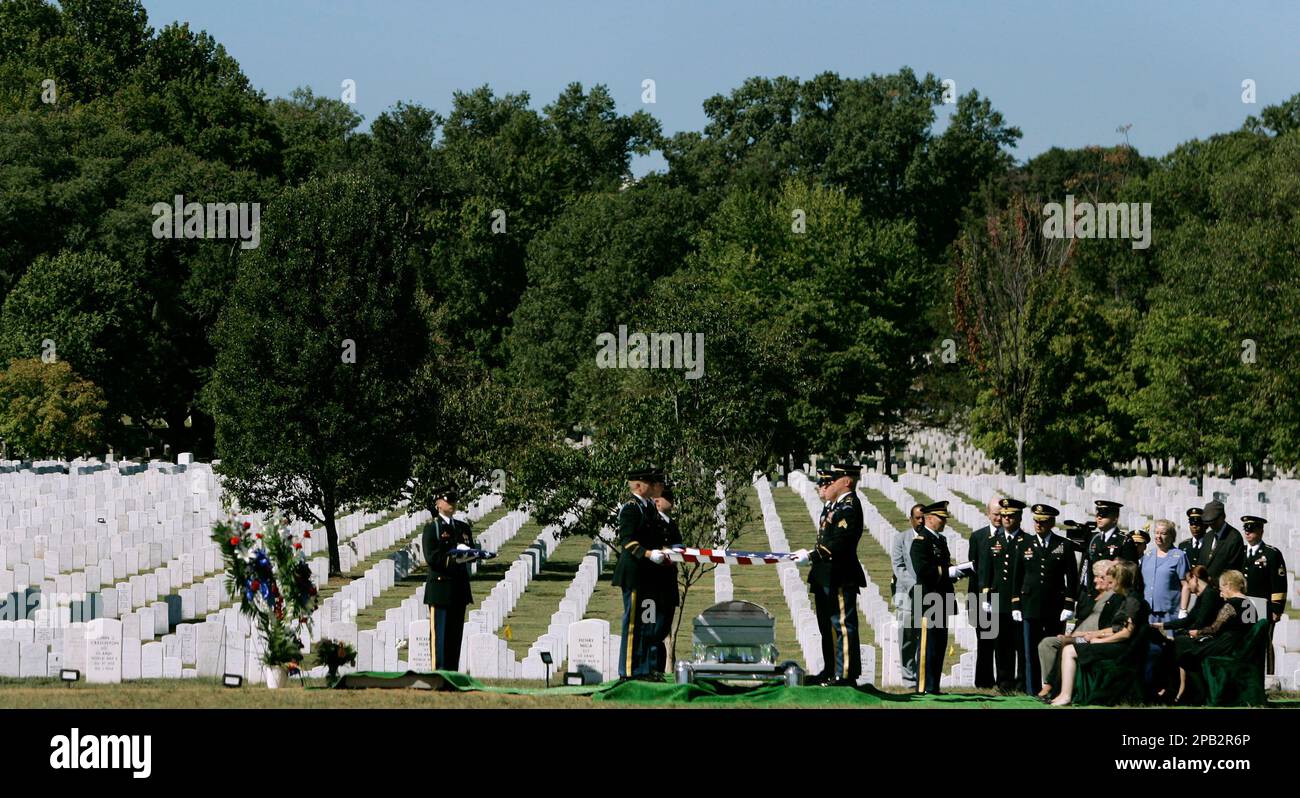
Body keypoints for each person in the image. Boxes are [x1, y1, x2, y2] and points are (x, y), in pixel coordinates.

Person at [794, 463, 866, 686]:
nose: (828, 484)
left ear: (846, 481)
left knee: (842, 625)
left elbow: (841, 541)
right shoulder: (834, 506)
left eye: (833, 479)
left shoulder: (850, 506)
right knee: (827, 626)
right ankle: (830, 669)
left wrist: (814, 556)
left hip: (841, 574)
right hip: (827, 575)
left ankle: (845, 674)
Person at [1050, 560, 1150, 706]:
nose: (1108, 586)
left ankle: (1066, 695)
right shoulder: (1125, 599)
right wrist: (1093, 634)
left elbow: (1126, 634)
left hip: (1124, 648)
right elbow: (1116, 628)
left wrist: (1100, 640)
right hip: (1117, 643)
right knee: (1069, 647)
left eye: (1111, 582)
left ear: (1119, 581)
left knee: (1069, 651)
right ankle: (1062, 693)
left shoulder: (1133, 601)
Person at [1010, 503, 1078, 695]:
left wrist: (1069, 603)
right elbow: (1018, 575)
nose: (1038, 525)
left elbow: (1071, 576)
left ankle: (1054, 688)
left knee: (1054, 648)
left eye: (1043, 521)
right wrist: (1016, 603)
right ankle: (1033, 690)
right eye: (1036, 521)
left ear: (1051, 522)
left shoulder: (1063, 545)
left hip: (1054, 605)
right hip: (1030, 604)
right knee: (1030, 650)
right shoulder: (1024, 544)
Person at [612, 467, 673, 679]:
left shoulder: (648, 507)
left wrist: (664, 551)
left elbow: (655, 537)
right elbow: (627, 541)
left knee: (647, 624)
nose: (654, 485)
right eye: (649, 481)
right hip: (635, 573)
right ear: (638, 485)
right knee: (633, 624)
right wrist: (648, 554)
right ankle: (628, 671)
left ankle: (645, 668)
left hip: (648, 575)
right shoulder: (631, 508)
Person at [1036, 559, 1122, 699]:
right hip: (1080, 635)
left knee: (1067, 643)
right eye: (1094, 576)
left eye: (1100, 577)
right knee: (1047, 643)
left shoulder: (1117, 598)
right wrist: (1070, 634)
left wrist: (1079, 636)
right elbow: (1080, 619)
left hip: (1095, 638)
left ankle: (1052, 687)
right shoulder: (1089, 596)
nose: (1095, 580)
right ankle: (1050, 684)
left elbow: (1113, 627)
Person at [1170, 569, 1256, 704]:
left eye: (1222, 588)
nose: (1221, 593)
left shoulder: (1230, 605)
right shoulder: (1250, 603)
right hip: (1241, 645)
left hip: (1227, 644)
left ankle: (1199, 695)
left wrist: (1196, 632)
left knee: (1187, 656)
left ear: (1228, 585)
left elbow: (1214, 629)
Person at [910, 501, 963, 695]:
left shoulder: (940, 540)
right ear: (929, 518)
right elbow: (923, 571)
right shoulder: (921, 541)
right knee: (927, 646)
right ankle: (923, 687)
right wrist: (947, 572)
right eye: (941, 518)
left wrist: (955, 572)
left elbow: (943, 565)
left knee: (939, 645)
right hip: (927, 599)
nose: (944, 522)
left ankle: (934, 686)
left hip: (942, 597)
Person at [422, 491, 477, 671]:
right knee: (440, 638)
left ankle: (452, 675)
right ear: (438, 503)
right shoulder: (433, 527)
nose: (452, 504)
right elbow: (432, 557)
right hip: (440, 589)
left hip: (459, 589)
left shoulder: (462, 527)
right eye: (448, 501)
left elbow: (472, 551)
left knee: (455, 637)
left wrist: (470, 556)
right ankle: (439, 675)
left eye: (454, 500)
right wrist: (455, 559)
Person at [1151, 565, 1223, 701]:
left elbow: (1201, 621)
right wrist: (1163, 625)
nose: (1187, 587)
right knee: (1171, 646)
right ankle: (1176, 689)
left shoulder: (1210, 595)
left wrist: (1183, 632)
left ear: (1194, 579)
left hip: (1208, 638)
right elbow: (1190, 619)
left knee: (1177, 645)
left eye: (1188, 582)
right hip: (1200, 635)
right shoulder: (1203, 596)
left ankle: (1182, 690)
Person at [981, 497, 1026, 692]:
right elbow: (987, 571)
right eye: (1004, 516)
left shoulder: (1027, 541)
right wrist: (986, 597)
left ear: (1019, 517)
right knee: (1002, 646)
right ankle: (1004, 683)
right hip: (999, 599)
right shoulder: (993, 541)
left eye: (1011, 516)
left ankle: (1023, 683)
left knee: (1021, 645)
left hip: (1020, 602)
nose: (1006, 519)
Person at [1240, 515, 1287, 676]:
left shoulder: (1271, 553)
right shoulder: (1241, 551)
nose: (1248, 533)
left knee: (1264, 640)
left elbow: (1279, 582)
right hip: (1243, 604)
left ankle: (1269, 677)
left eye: (1252, 529)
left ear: (1261, 530)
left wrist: (1277, 607)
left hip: (1263, 604)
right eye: (1246, 529)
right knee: (1245, 640)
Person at [967, 495, 1002, 688]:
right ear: (988, 514)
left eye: (1001, 514)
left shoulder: (1011, 536)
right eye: (995, 514)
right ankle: (984, 680)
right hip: (981, 598)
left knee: (1003, 642)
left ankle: (1004, 680)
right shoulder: (978, 537)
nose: (998, 518)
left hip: (1002, 596)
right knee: (984, 641)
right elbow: (974, 569)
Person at [890, 502, 924, 689]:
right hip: (907, 595)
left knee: (925, 637)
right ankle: (908, 677)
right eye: (917, 517)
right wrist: (915, 585)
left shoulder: (933, 538)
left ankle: (923, 677)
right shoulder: (901, 539)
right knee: (907, 637)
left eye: (923, 518)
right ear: (910, 519)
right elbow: (898, 566)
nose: (920, 521)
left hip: (928, 595)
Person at [650, 485, 683, 674]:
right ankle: (652, 671)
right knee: (655, 633)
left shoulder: (671, 523)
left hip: (669, 586)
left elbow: (679, 546)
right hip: (657, 586)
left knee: (662, 631)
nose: (672, 500)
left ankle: (659, 672)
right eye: (667, 497)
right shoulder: (653, 522)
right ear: (657, 501)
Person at [1141, 519, 1188, 626]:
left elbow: (1185, 585)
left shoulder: (1179, 556)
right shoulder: (1148, 556)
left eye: (1163, 533)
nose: (1159, 536)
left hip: (1169, 613)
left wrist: (1183, 609)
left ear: (1171, 536)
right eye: (1156, 533)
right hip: (1148, 612)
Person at [1081, 500, 1127, 596]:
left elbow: (1129, 573)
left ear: (1115, 518)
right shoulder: (1094, 539)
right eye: (1098, 514)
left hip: (1113, 596)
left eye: (1104, 514)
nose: (1099, 517)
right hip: (1092, 594)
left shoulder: (1123, 540)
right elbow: (1085, 567)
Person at [1196, 500, 1244, 579]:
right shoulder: (1208, 536)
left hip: (1222, 587)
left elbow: (1233, 569)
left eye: (1214, 522)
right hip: (1205, 587)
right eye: (1209, 523)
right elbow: (1202, 561)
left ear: (1223, 516)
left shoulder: (1234, 538)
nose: (1212, 525)